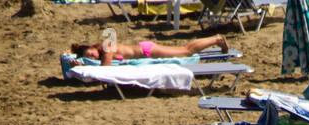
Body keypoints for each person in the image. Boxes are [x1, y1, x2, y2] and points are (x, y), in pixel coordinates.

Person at [70, 34, 229, 66]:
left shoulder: (105, 47)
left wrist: (84, 66)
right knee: (184, 49)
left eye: (90, 53)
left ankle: (216, 39)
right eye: (89, 57)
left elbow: (105, 69)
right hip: (145, 49)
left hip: (147, 51)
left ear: (92, 47)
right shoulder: (102, 49)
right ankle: (215, 39)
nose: (92, 56)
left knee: (186, 51)